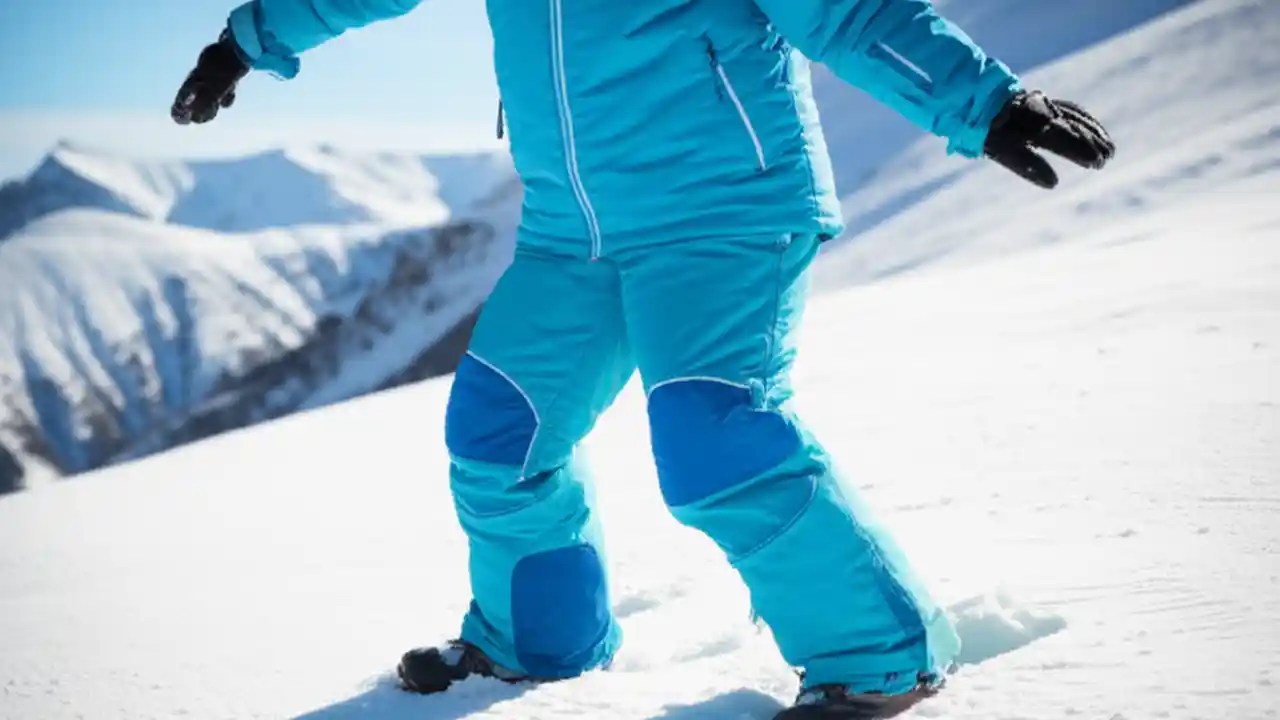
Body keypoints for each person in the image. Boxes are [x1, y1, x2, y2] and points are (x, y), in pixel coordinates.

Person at [172, 2, 1113, 717]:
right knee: (499, 432)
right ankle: (537, 643)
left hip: (726, 209)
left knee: (716, 438)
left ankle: (878, 659)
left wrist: (988, 103)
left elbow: (848, 10)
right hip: (569, 229)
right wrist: (246, 42)